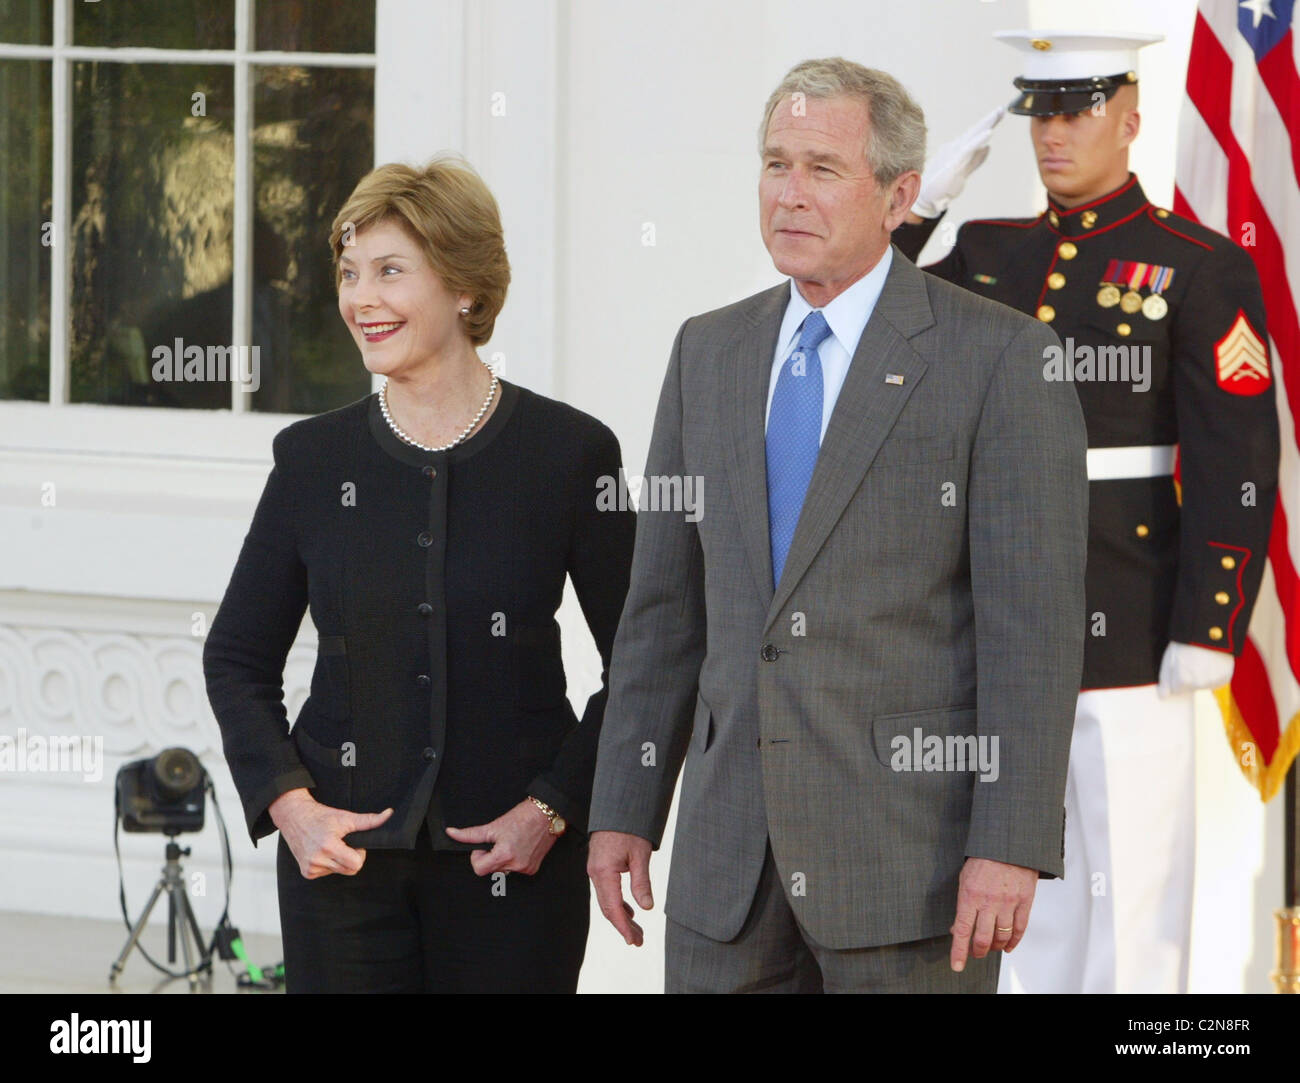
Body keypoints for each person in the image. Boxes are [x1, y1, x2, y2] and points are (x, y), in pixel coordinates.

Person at [584, 57, 1089, 994]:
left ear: (900, 196)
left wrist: (1010, 843)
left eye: (822, 168)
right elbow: (661, 613)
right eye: (776, 164)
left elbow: (1035, 631)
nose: (789, 193)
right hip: (725, 873)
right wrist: (623, 808)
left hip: (911, 876)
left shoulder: (1003, 359)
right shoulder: (708, 351)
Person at [893, 30, 1279, 994]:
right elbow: (870, 323)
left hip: (1131, 618)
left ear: (1129, 117)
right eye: (1041, 112)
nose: (1053, 132)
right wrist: (916, 210)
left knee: (1138, 904)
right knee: (1026, 903)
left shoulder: (1193, 263)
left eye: (1077, 110)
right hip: (1000, 614)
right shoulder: (987, 253)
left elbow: (1239, 458)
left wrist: (1208, 625)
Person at [202, 155, 636, 993]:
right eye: (349, 272)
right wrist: (290, 805)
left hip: (514, 874)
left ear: (465, 286)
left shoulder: (572, 453)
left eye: (390, 271)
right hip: (342, 879)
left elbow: (649, 664)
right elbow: (236, 658)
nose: (361, 299)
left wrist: (552, 808)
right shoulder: (310, 458)